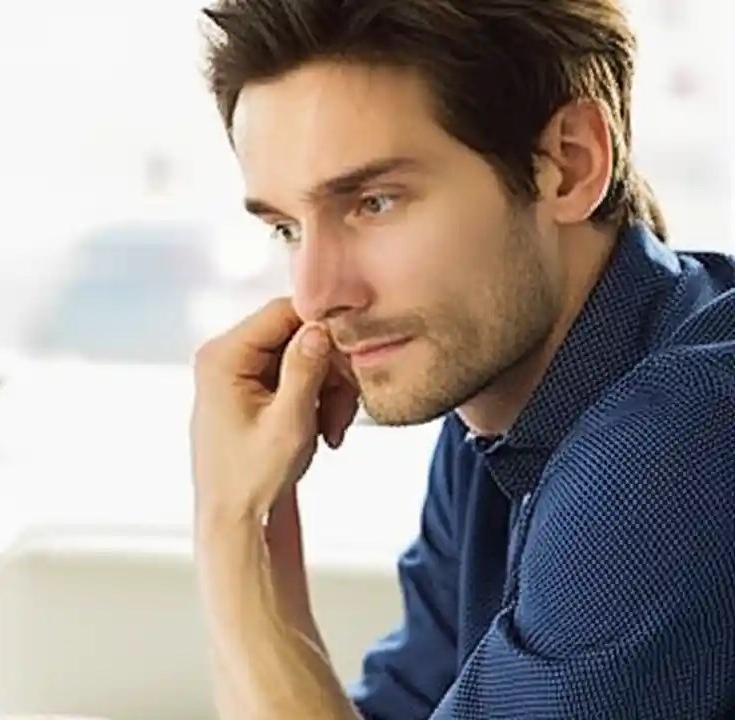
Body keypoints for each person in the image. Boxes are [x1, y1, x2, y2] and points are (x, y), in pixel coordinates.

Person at [188, 1, 735, 718]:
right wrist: (258, 540)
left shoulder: (682, 440)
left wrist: (230, 534)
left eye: (374, 203)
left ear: (568, 166)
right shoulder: (493, 416)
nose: (317, 295)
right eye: (288, 227)